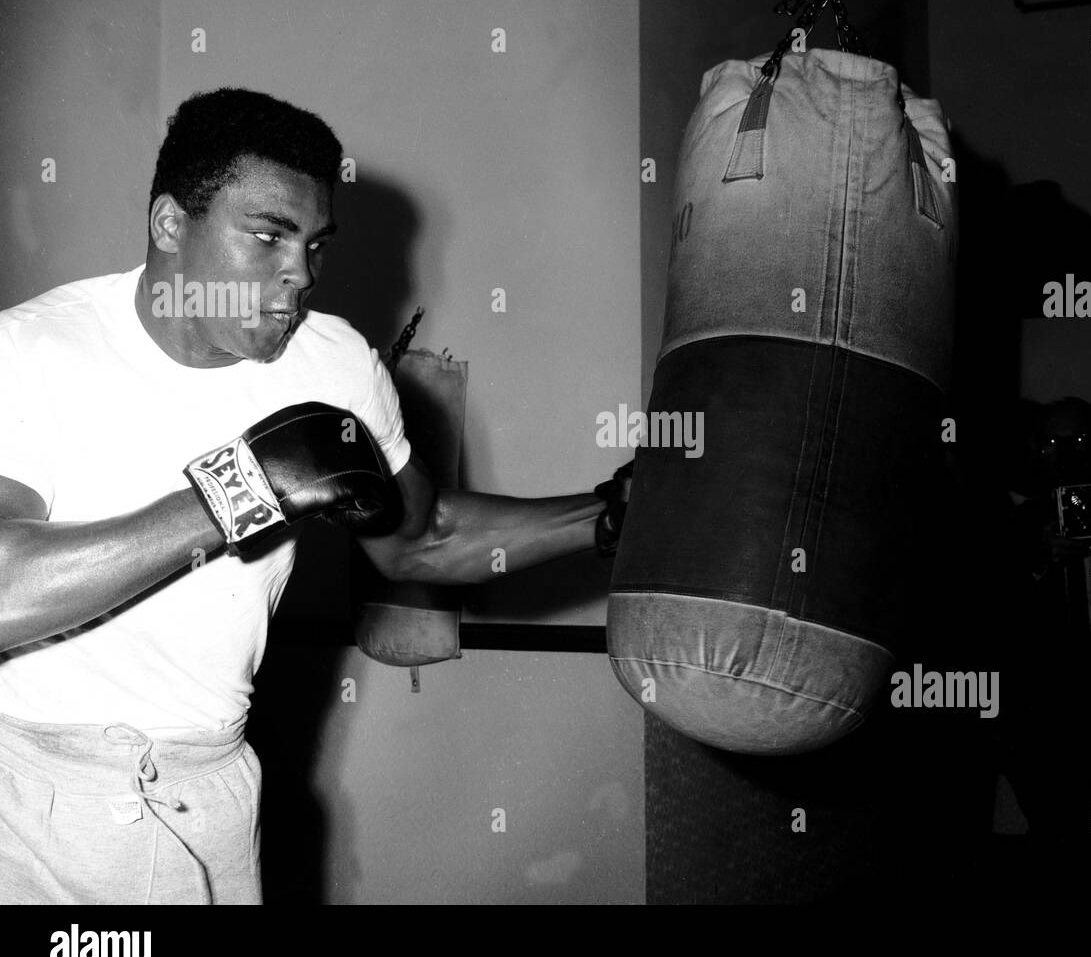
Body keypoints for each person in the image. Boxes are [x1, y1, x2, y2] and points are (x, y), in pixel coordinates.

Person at [0, 87, 631, 904]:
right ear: (168, 225)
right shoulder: (33, 350)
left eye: (314, 244)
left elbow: (422, 535)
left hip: (216, 785)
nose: (298, 274)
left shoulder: (333, 362)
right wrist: (240, 489)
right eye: (267, 236)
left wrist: (606, 514)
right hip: (35, 790)